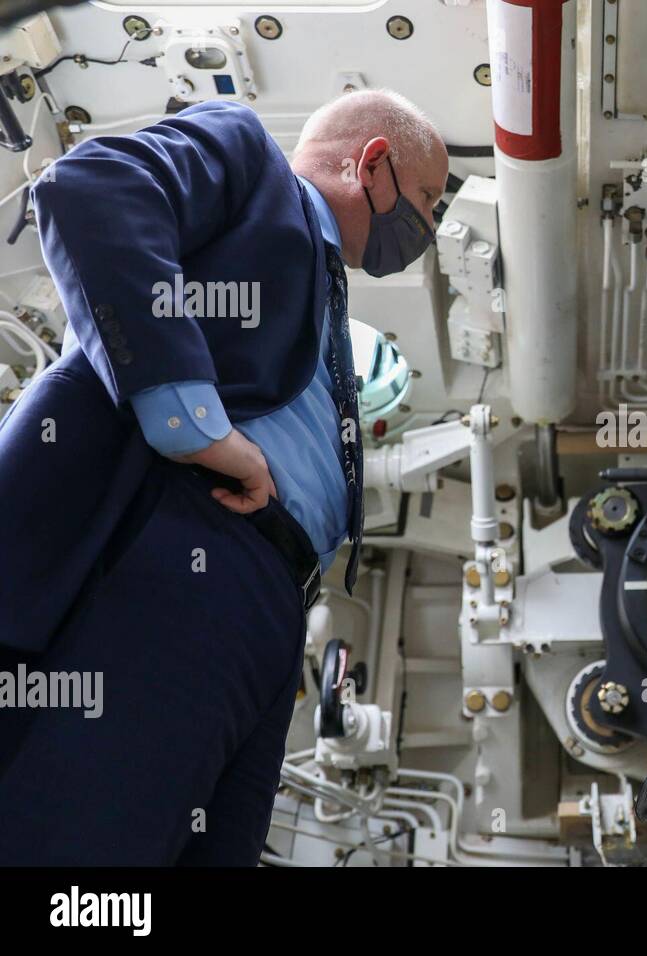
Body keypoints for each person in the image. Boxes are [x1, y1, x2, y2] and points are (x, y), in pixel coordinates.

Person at [0, 89, 447, 865]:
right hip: (179, 540)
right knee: (91, 834)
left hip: (266, 610)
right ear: (372, 162)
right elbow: (92, 187)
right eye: (429, 199)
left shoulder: (324, 300)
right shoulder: (248, 159)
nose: (430, 228)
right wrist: (193, 425)